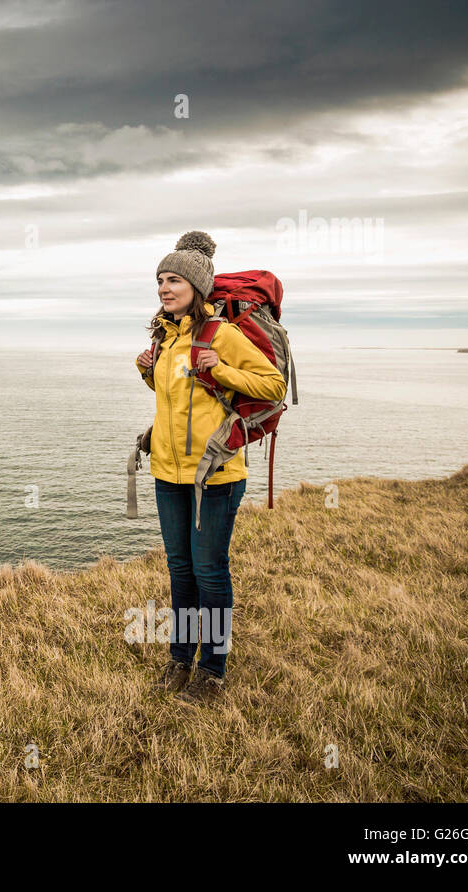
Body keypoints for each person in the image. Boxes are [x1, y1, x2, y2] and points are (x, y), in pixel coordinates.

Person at [134, 231, 286, 706]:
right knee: (180, 571)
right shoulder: (164, 334)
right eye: (160, 279)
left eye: (174, 279)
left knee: (209, 571)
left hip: (215, 476)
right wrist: (147, 370)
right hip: (168, 472)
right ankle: (180, 659)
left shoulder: (222, 335)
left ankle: (212, 670)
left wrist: (220, 367)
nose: (164, 287)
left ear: (197, 287)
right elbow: (179, 400)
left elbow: (272, 385)